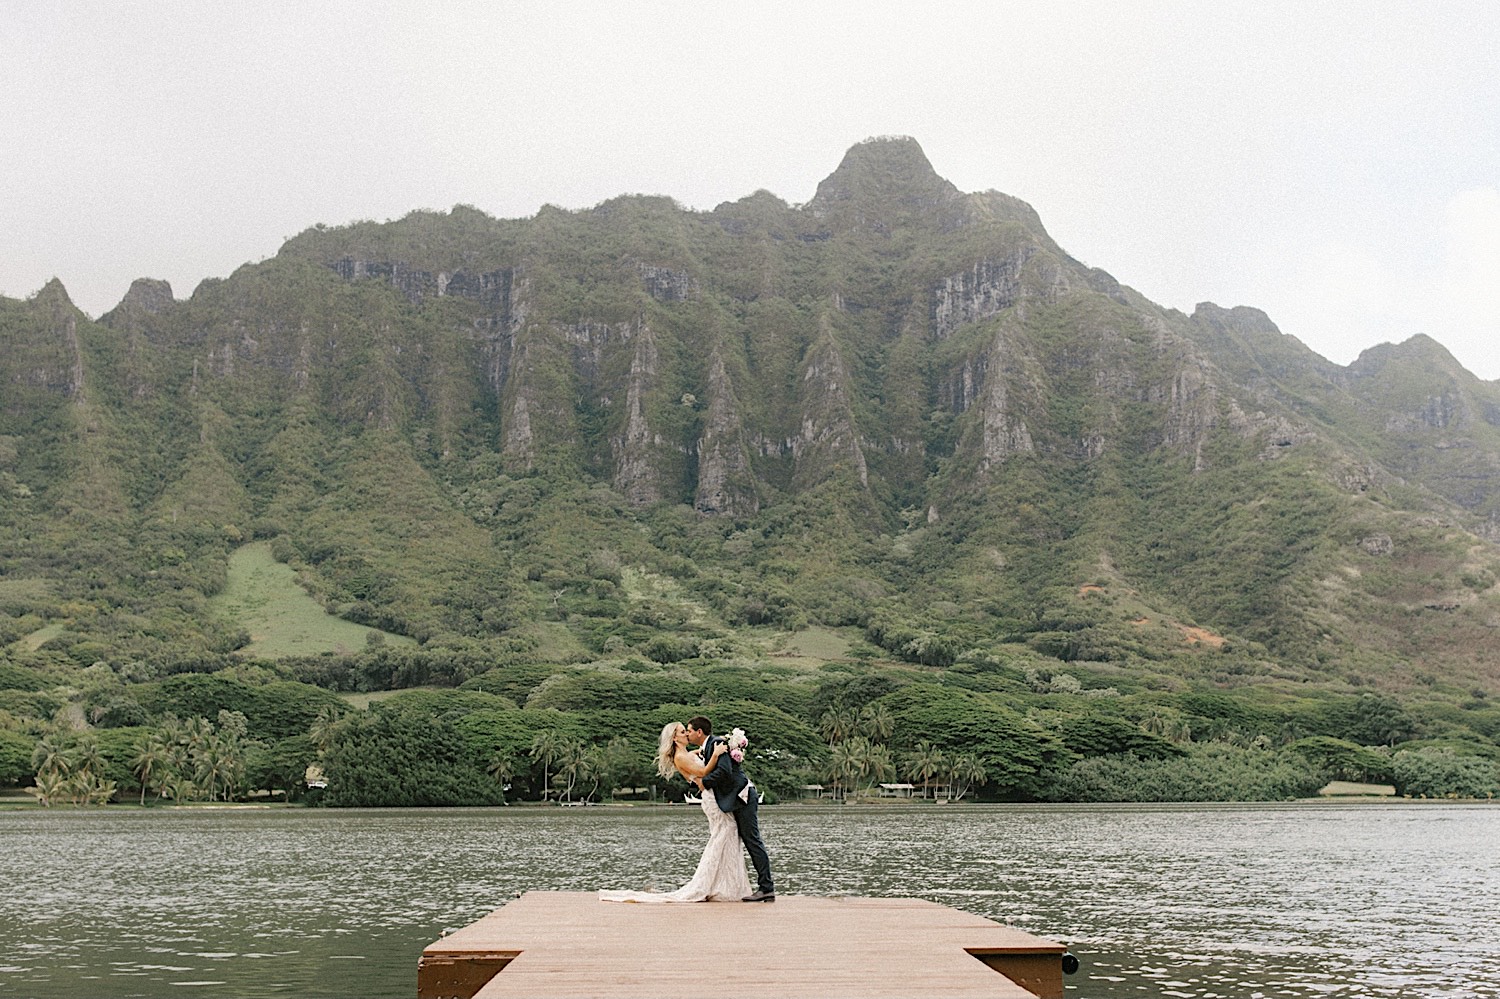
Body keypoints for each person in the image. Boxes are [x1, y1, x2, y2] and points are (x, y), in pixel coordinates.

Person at [598, 722, 752, 903]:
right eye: (682, 732)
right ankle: (714, 884)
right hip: (711, 799)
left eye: (687, 730)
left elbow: (695, 760)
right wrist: (716, 755)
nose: (687, 734)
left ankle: (726, 884)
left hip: (712, 796)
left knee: (726, 837)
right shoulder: (680, 757)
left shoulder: (685, 754)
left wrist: (702, 752)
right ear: (674, 737)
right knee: (724, 835)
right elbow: (702, 771)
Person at [687, 714, 775, 902]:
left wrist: (704, 783)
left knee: (752, 840)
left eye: (689, 731)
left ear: (699, 732)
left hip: (742, 796)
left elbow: (724, 771)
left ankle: (766, 888)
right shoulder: (707, 747)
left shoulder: (716, 743)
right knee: (743, 839)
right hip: (731, 799)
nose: (687, 735)